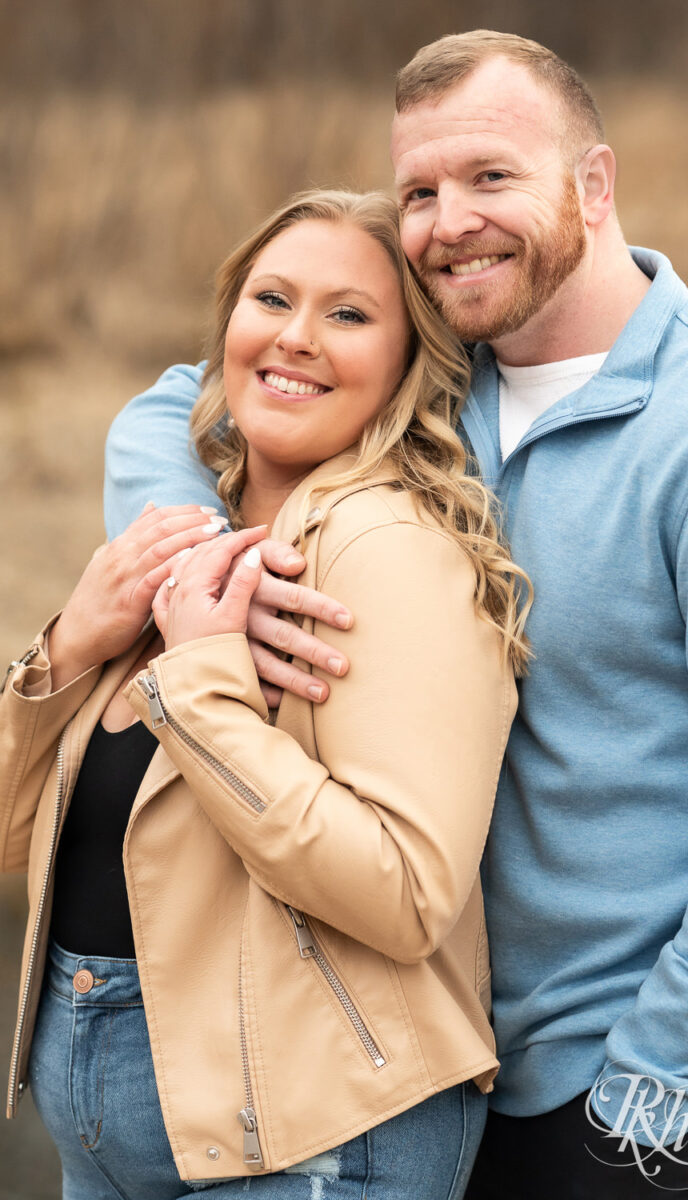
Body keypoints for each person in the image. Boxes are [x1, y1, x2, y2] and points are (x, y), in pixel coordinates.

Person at [99, 30, 688, 1199]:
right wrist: (209, 556)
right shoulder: (442, 373)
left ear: (592, 182)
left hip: (663, 1093)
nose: (446, 219)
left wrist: (652, 1079)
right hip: (459, 1071)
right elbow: (176, 400)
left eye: (488, 176)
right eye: (417, 190)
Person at [1, 188, 533, 1200]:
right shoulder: (173, 545)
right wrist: (75, 640)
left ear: (410, 360)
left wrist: (201, 691)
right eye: (270, 298)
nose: (294, 339)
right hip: (122, 1133)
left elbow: (405, 893)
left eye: (347, 314)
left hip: (318, 1136)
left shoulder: (394, 555)